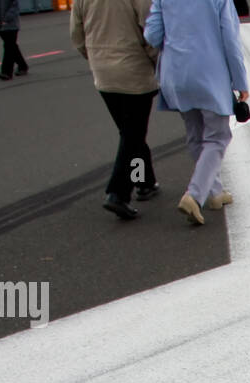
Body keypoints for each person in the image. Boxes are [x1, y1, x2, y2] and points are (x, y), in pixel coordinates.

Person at [144, 0, 249, 226]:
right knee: (218, 137)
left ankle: (215, 192)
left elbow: (152, 36)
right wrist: (240, 81)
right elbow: (230, 41)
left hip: (176, 75)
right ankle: (194, 195)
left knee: (195, 134)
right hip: (210, 74)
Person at [72, 0, 161, 221]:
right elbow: (149, 31)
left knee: (130, 131)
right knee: (133, 134)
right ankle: (118, 193)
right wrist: (158, 62)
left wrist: (94, 57)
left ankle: (144, 180)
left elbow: (76, 33)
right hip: (133, 70)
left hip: (103, 72)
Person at [0, 0, 29, 79]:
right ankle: (22, 65)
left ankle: (6, 71)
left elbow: (15, 6)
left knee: (9, 46)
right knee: (11, 45)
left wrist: (6, 19)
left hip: (11, 23)